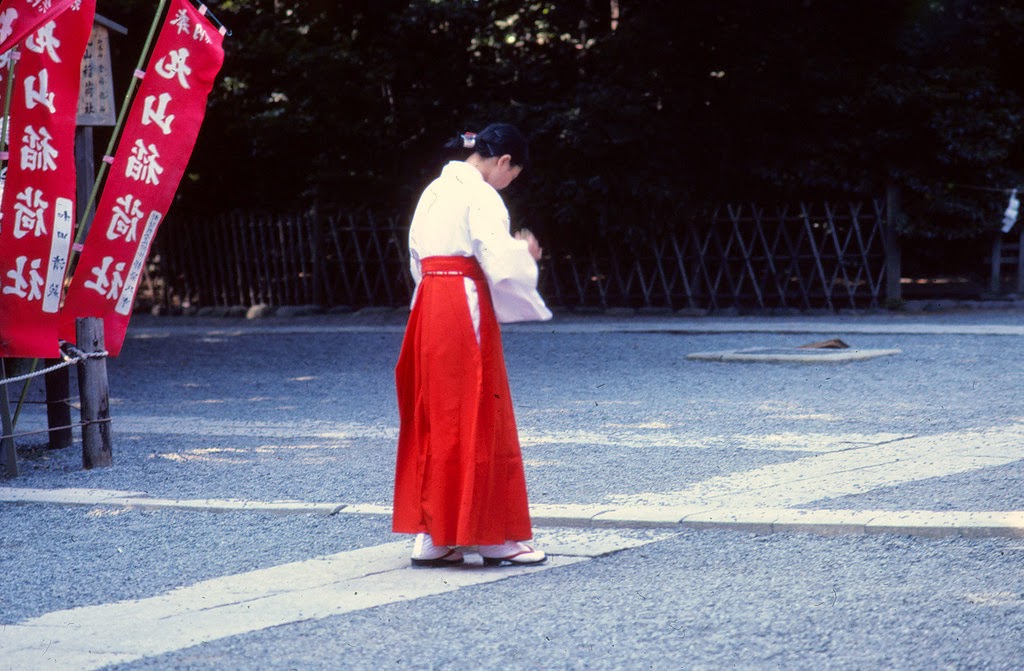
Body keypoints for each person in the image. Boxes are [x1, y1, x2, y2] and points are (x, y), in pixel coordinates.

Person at [392, 123, 552, 567]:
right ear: (503, 162)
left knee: (434, 416)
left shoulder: (433, 192)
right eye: (512, 173)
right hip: (464, 304)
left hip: (429, 304)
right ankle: (493, 536)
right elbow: (498, 259)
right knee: (480, 412)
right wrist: (526, 256)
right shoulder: (482, 195)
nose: (510, 181)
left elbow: (416, 257)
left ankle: (433, 534)